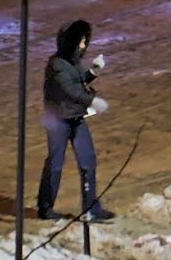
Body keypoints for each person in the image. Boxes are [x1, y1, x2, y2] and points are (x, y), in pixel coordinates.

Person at [37, 20, 115, 222]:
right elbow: (70, 91)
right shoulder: (56, 65)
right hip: (58, 120)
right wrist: (93, 101)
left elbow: (79, 82)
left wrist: (93, 72)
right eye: (81, 41)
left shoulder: (72, 61)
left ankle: (91, 208)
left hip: (75, 117)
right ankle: (45, 207)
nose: (84, 46)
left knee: (88, 160)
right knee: (55, 163)